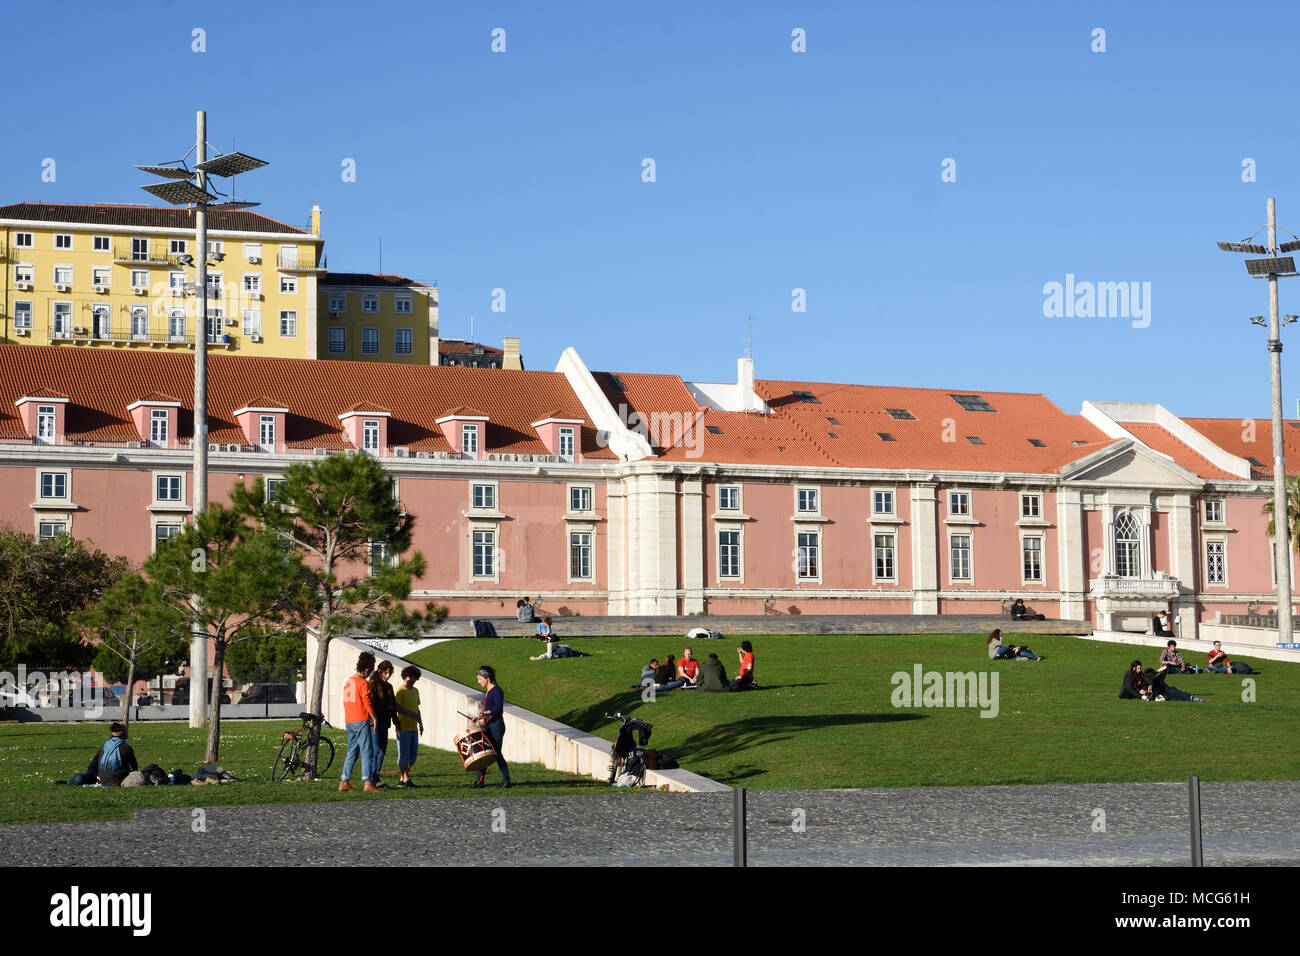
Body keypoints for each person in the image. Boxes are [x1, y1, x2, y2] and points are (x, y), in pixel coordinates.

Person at [340, 651, 381, 793]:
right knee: (367, 751)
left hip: (349, 720)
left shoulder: (348, 681)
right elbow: (367, 702)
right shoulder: (363, 683)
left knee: (352, 750)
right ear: (367, 669)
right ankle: (368, 783)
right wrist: (374, 718)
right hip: (361, 720)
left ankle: (344, 781)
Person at [472, 665, 510, 789]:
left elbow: (498, 709)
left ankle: (506, 781)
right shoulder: (488, 691)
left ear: (487, 678)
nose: (478, 682)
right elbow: (488, 709)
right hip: (489, 724)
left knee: (496, 753)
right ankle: (479, 781)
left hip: (496, 725)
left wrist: (485, 713)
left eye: (479, 679)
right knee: (484, 753)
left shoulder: (497, 691)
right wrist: (478, 717)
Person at [367, 660, 397, 788]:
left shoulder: (389, 687)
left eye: (389, 673)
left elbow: (393, 705)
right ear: (380, 671)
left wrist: (396, 720)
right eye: (385, 673)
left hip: (385, 721)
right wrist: (386, 706)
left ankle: (376, 775)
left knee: (382, 750)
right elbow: (371, 701)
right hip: (374, 721)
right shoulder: (372, 684)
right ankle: (372, 777)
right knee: (376, 750)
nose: (387, 676)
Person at [393, 665, 423, 788]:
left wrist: (421, 723)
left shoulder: (415, 691)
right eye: (410, 678)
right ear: (405, 677)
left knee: (413, 756)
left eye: (414, 678)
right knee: (403, 755)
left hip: (413, 728)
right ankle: (405, 778)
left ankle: (402, 778)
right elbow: (396, 707)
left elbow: (417, 708)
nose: (411, 680)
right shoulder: (399, 691)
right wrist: (409, 713)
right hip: (403, 727)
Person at [87, 721, 138, 786]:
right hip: (119, 780)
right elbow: (135, 769)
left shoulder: (105, 747)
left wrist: (98, 776)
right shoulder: (127, 748)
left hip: (102, 780)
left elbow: (91, 767)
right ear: (124, 733)